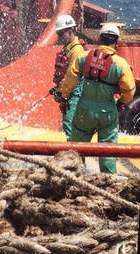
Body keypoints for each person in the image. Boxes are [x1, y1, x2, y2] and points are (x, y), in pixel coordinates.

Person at [57, 23, 135, 173]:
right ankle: (108, 179)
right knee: (108, 151)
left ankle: (74, 176)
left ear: (99, 39)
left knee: (76, 150)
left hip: (83, 111)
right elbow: (129, 91)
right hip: (107, 113)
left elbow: (69, 81)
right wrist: (120, 103)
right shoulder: (121, 64)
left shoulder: (83, 57)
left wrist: (62, 96)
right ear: (117, 42)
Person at [50, 14, 86, 138]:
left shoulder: (77, 51)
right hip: (69, 91)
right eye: (58, 33)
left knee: (69, 123)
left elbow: (72, 77)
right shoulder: (67, 49)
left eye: (61, 33)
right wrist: (58, 89)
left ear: (70, 31)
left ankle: (74, 148)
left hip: (76, 93)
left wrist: (61, 93)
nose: (59, 37)